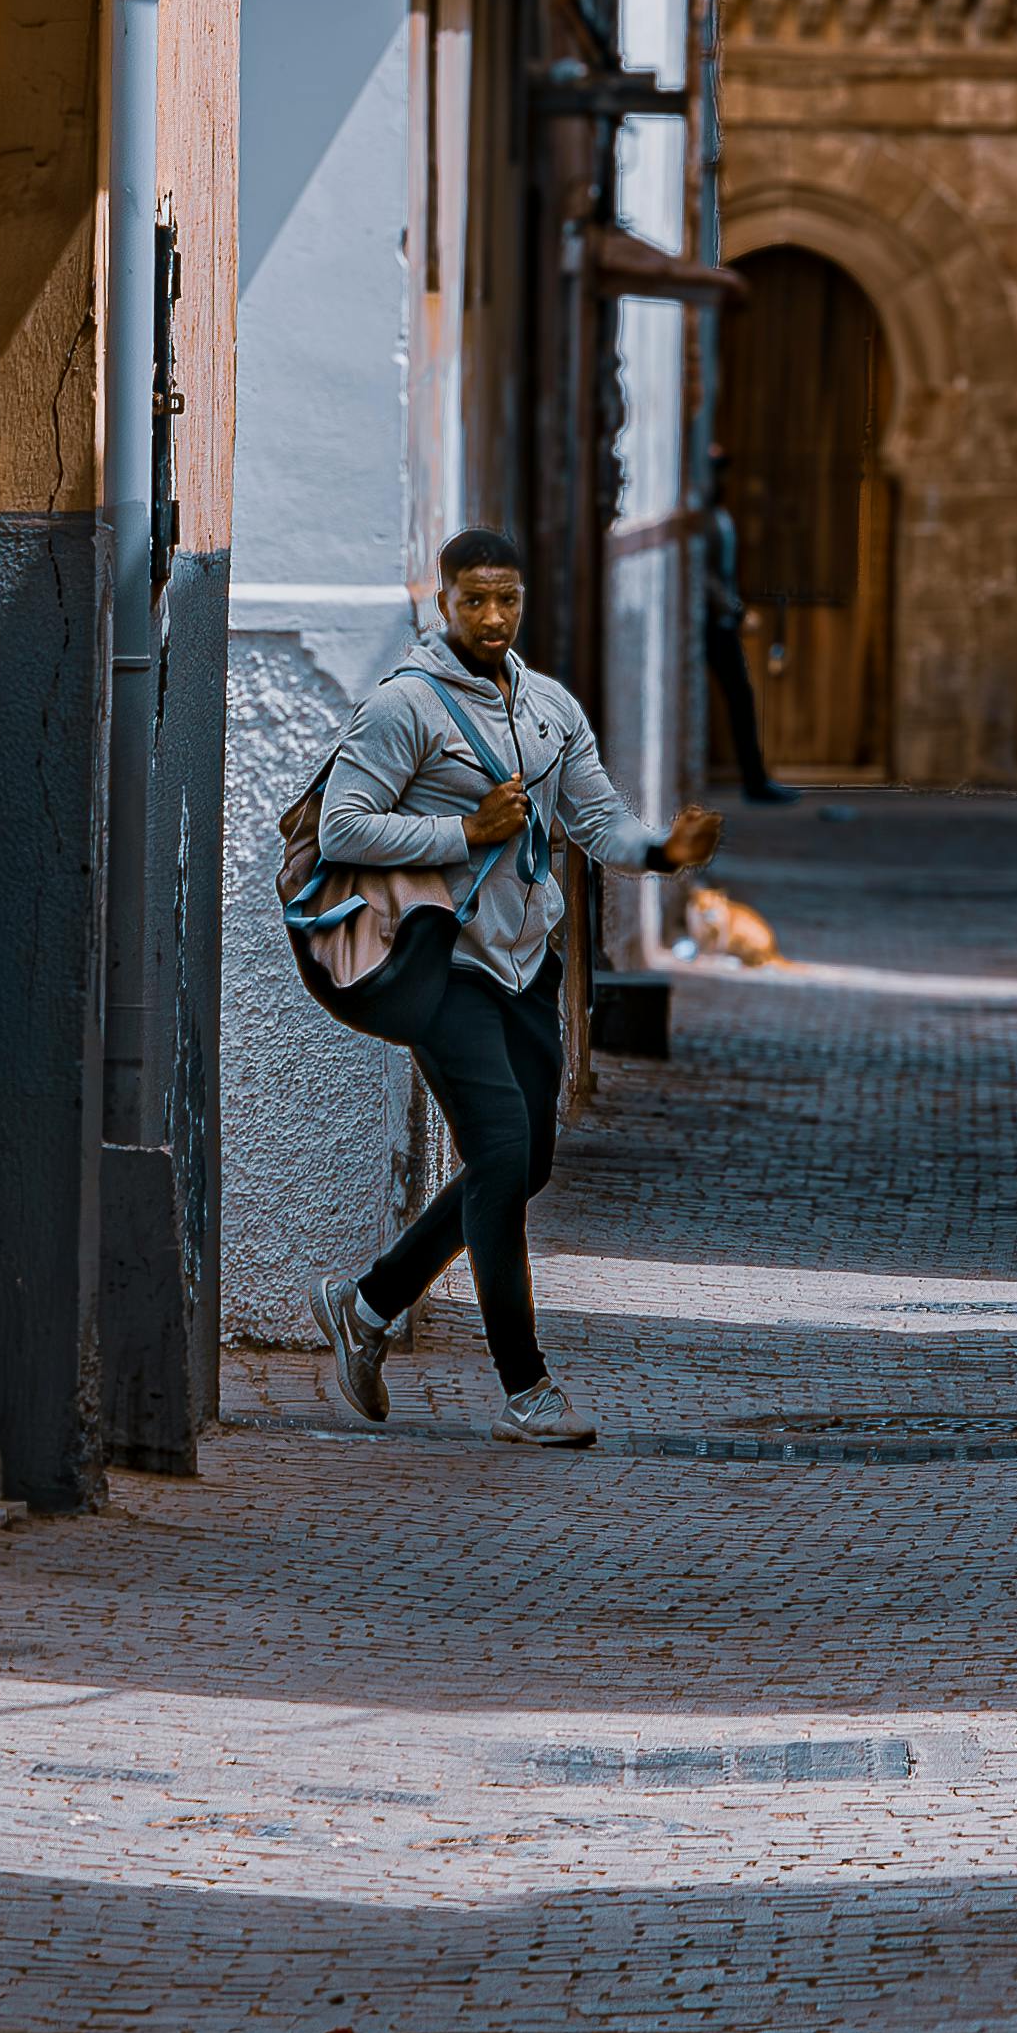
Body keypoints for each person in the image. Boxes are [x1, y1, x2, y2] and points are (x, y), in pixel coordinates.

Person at [301, 528, 716, 1450]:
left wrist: (661, 852)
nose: (492, 617)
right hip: (441, 963)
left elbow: (594, 817)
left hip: (528, 963)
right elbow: (341, 831)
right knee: (497, 1157)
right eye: (474, 600)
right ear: (441, 603)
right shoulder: (402, 707)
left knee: (523, 1167)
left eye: (507, 600)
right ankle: (526, 1390)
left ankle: (367, 1306)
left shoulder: (549, 707)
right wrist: (466, 830)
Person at [701, 498, 793, 806]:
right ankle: (753, 780)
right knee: (736, 696)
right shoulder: (700, 514)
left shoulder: (717, 513)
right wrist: (735, 610)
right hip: (707, 620)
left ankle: (755, 779)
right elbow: (702, 573)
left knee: (740, 697)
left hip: (720, 620)